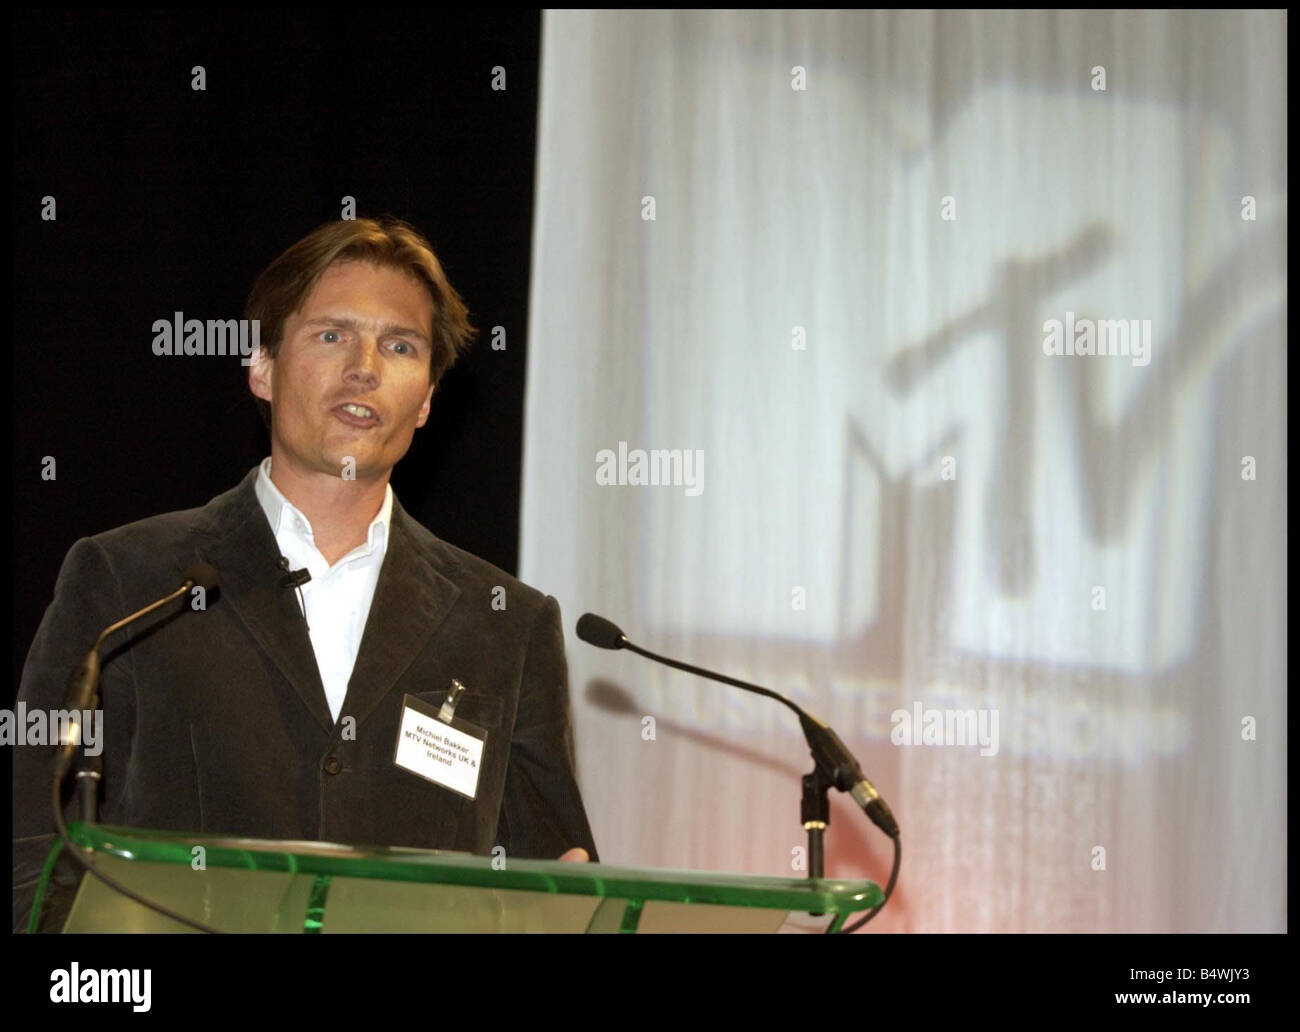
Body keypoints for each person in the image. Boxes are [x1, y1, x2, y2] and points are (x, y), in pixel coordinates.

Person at [12, 217, 598, 932]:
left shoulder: (507, 621)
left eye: (400, 346)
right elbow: (36, 856)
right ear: (261, 366)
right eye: (332, 335)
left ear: (426, 400)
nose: (365, 367)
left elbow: (549, 876)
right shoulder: (130, 581)